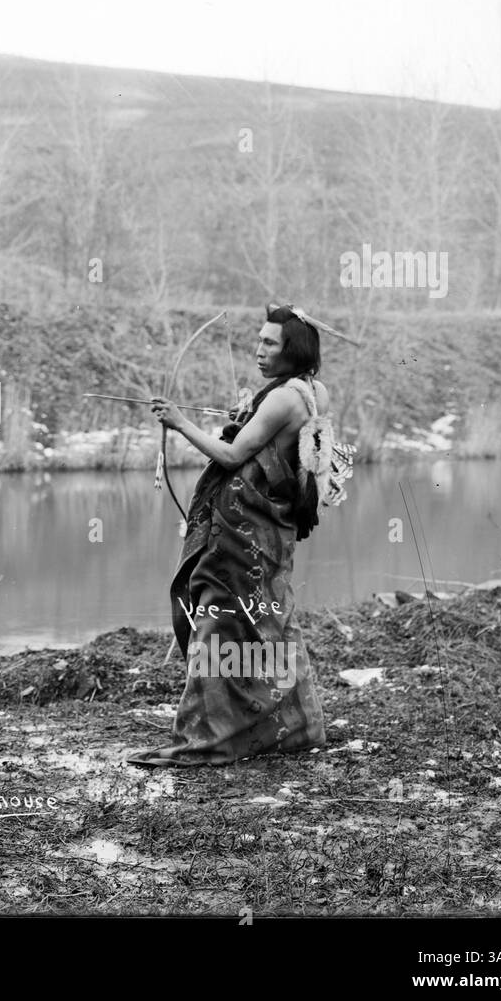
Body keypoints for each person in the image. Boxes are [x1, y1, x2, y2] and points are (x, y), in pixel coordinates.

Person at [127, 304, 331, 768]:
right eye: (259, 340)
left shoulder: (283, 398)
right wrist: (248, 414)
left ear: (293, 349)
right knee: (268, 624)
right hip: (265, 536)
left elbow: (233, 454)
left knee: (219, 625)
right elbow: (276, 444)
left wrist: (179, 422)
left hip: (242, 537)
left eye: (270, 343)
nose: (258, 351)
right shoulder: (312, 390)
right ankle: (294, 725)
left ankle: (210, 736)